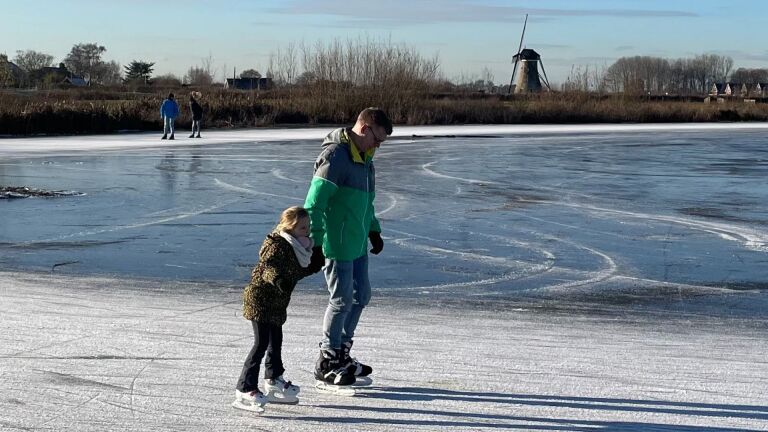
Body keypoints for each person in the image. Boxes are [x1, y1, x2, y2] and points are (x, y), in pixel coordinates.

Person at [304, 107, 392, 389]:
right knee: (341, 300)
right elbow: (314, 204)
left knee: (361, 296)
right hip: (336, 243)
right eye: (377, 139)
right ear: (364, 129)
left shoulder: (366, 160)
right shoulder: (335, 157)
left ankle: (342, 352)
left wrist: (374, 230)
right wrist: (316, 243)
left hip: (357, 244)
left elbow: (367, 203)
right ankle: (327, 360)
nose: (378, 145)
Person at [233, 206, 322, 412]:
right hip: (261, 300)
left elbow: (296, 272)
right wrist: (278, 279)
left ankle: (273, 379)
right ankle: (245, 387)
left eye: (308, 227)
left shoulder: (300, 249)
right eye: (302, 227)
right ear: (289, 228)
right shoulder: (277, 245)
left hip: (277, 302)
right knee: (261, 344)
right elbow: (267, 268)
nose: (306, 231)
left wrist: (316, 263)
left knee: (276, 342)